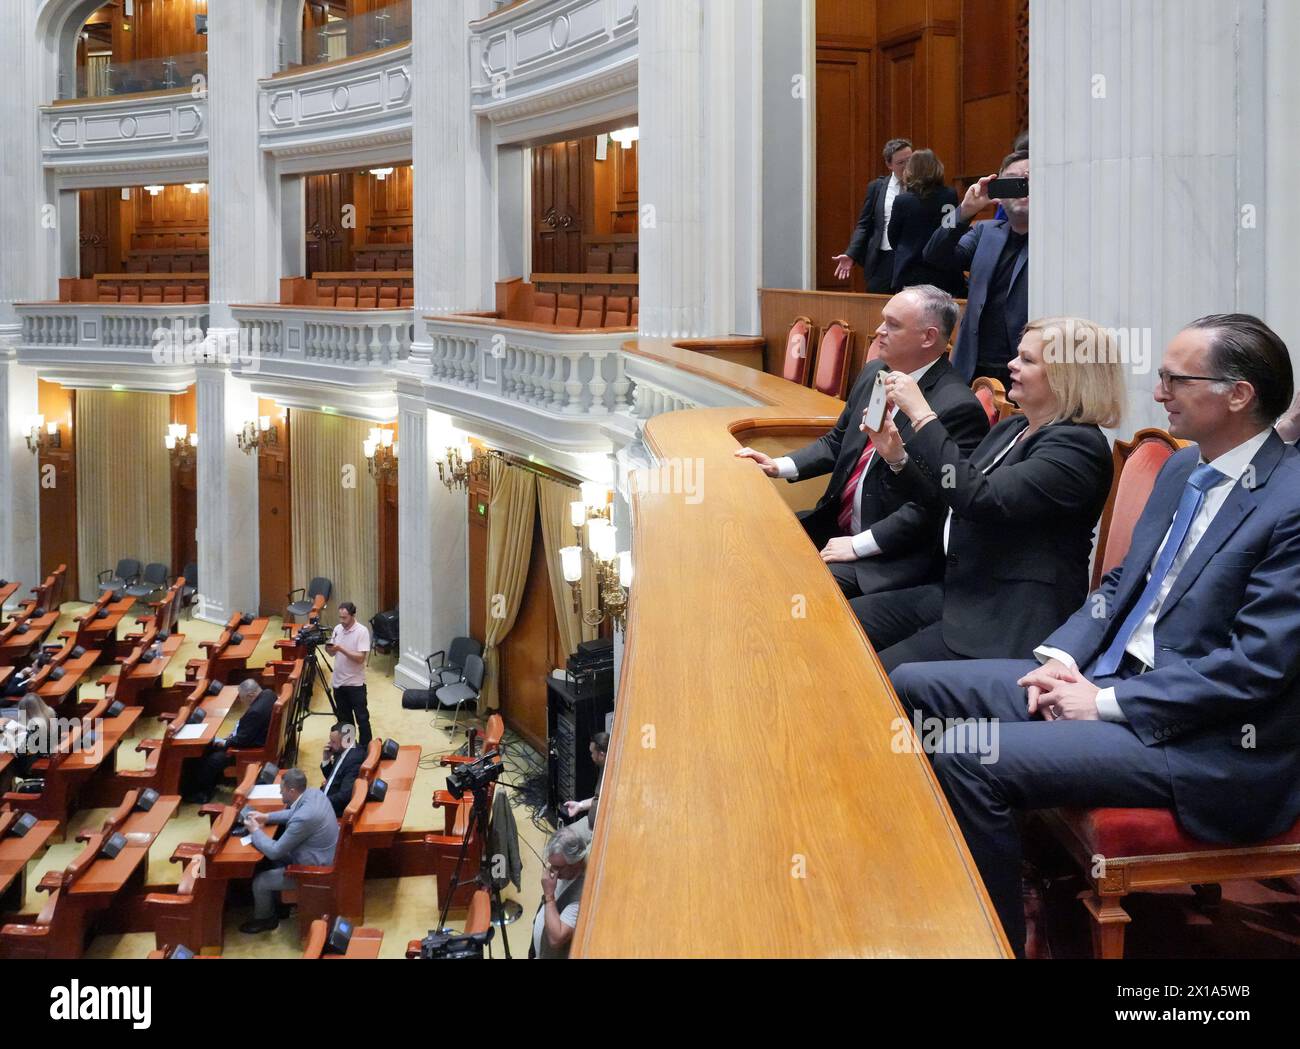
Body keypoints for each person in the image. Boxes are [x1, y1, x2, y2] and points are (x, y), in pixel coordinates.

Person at [890, 313, 1300, 957]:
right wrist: (1062, 657)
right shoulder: (1183, 467)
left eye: (1174, 379)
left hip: (1207, 741)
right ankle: (972, 874)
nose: (1158, 392)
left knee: (967, 757)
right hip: (1111, 676)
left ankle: (989, 939)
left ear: (1238, 393)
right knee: (915, 687)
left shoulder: (1290, 499)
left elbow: (1257, 668)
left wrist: (1105, 703)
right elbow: (1117, 589)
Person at [853, 317, 1122, 671]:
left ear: (1067, 375)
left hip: (1006, 616)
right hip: (961, 593)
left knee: (876, 677)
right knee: (838, 622)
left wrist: (922, 415)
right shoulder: (1015, 426)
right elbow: (953, 496)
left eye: (1027, 360)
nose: (1011, 364)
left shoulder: (1077, 447)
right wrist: (898, 458)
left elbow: (982, 499)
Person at [735, 286, 989, 600]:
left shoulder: (956, 407)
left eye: (893, 325)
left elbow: (934, 505)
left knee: (792, 584)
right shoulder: (877, 373)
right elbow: (837, 442)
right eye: (883, 321)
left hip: (888, 556)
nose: (879, 331)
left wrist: (857, 545)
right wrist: (780, 465)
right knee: (746, 541)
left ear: (928, 337)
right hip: (837, 527)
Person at [924, 149, 1030, 385]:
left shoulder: (1054, 241)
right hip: (973, 364)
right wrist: (963, 211)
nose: (1022, 186)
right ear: (999, 193)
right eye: (1013, 180)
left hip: (1026, 367)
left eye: (1029, 180)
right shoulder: (985, 231)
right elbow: (933, 253)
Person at [239, 768, 339, 934]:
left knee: (260, 881)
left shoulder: (305, 817)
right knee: (268, 858)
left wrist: (255, 830)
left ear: (292, 791)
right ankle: (279, 905)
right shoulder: (314, 794)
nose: (280, 793)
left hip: (312, 870)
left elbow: (275, 851)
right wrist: (267, 817)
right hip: (320, 853)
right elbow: (294, 812)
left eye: (282, 790)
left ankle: (266, 920)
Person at [833, 138, 913, 292]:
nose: (907, 167)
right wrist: (851, 254)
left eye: (910, 160)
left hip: (911, 259)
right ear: (889, 165)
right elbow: (863, 224)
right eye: (901, 163)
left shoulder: (924, 187)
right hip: (883, 257)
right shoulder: (877, 187)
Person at [885, 150, 965, 296]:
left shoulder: (902, 201)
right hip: (943, 270)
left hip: (910, 270)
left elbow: (893, 237)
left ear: (910, 171)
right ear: (937, 168)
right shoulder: (949, 195)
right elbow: (952, 229)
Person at [183, 678, 274, 804]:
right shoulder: (269, 694)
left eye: (242, 698)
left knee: (213, 760)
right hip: (259, 738)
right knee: (211, 747)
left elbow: (242, 740)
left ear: (251, 695)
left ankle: (202, 793)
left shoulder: (255, 712)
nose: (242, 702)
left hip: (251, 748)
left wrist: (226, 742)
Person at [531, 825, 588, 959]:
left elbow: (556, 939)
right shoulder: (564, 871)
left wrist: (549, 895)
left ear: (577, 862)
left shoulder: (581, 894)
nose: (552, 872)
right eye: (551, 865)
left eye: (558, 867)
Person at [327, 601, 371, 746]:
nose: (342, 621)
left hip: (355, 684)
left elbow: (360, 658)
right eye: (340, 617)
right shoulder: (337, 629)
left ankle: (365, 749)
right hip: (339, 683)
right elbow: (332, 654)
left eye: (344, 618)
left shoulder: (362, 631)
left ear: (352, 615)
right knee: (345, 721)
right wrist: (331, 649)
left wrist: (340, 648)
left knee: (362, 719)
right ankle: (349, 749)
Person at [561, 731, 608, 836]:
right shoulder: (602, 765)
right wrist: (579, 805)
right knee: (560, 837)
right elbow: (598, 799)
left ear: (601, 755)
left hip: (599, 832)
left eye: (592, 752)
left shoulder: (612, 775)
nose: (591, 756)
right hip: (590, 824)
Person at [320, 721, 364, 816]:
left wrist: (320, 802)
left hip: (330, 811)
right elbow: (333, 778)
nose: (330, 744)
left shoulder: (354, 760)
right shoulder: (343, 750)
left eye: (333, 742)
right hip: (325, 798)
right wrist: (326, 759)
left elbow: (344, 796)